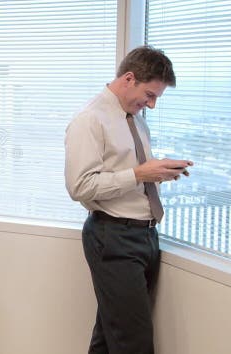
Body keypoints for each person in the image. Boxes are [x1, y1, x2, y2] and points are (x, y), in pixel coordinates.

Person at [65, 45, 193, 354]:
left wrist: (158, 172)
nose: (151, 104)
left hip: (144, 236)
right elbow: (80, 187)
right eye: (149, 95)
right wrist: (139, 174)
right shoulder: (90, 120)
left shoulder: (134, 119)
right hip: (114, 237)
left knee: (112, 336)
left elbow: (132, 172)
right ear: (129, 78)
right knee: (133, 342)